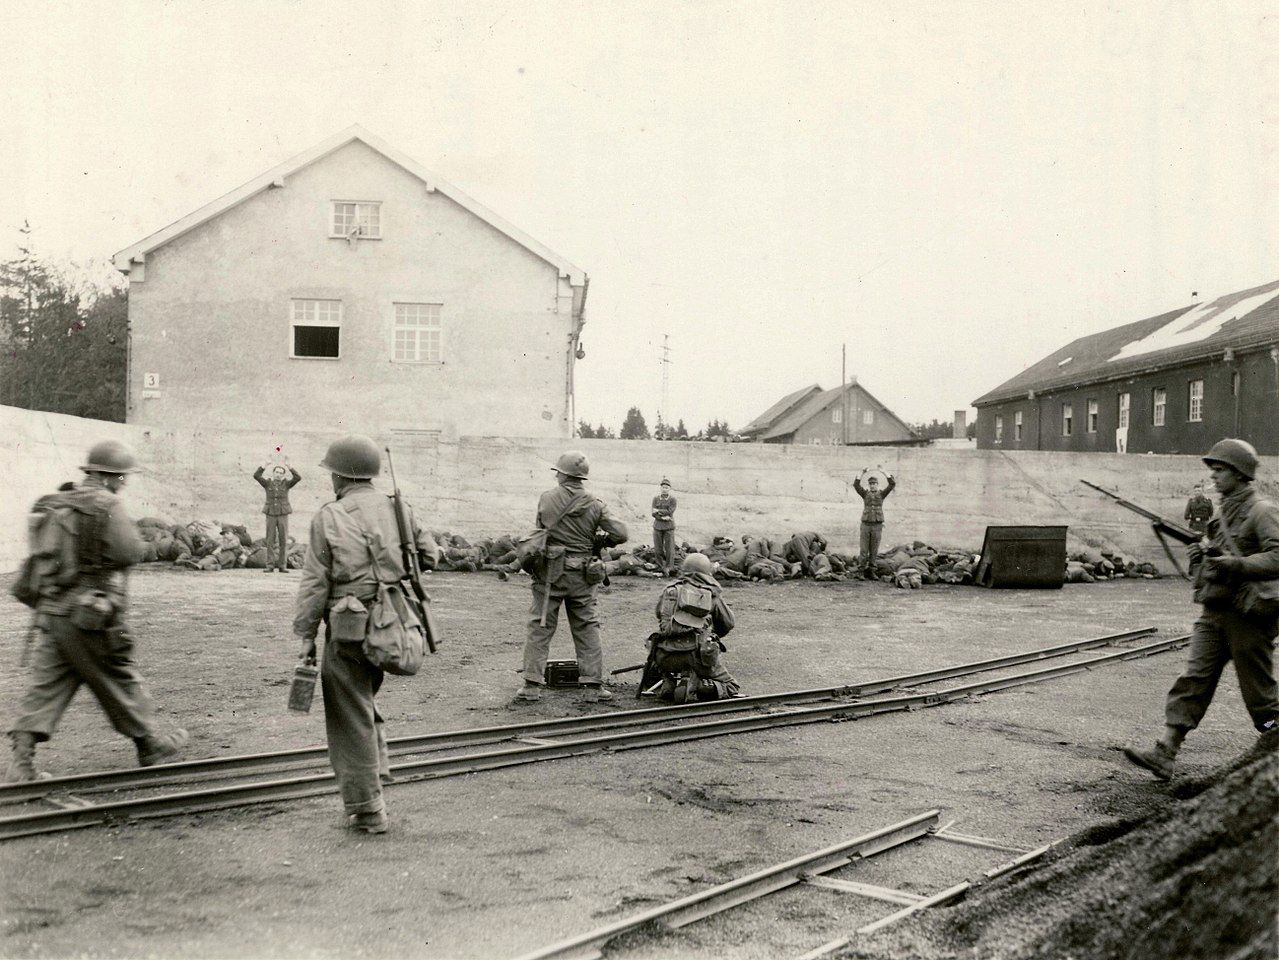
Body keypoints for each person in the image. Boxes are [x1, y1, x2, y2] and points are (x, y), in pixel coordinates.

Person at [6, 441, 188, 781]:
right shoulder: (108, 505)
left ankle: (21, 765)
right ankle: (150, 746)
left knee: (46, 686)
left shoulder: (58, 502)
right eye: (123, 477)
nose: (124, 483)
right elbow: (129, 552)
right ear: (112, 476)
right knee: (119, 675)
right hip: (89, 616)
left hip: (51, 614)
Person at [293, 435, 439, 833]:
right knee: (361, 701)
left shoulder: (329, 516)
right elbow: (430, 556)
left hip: (348, 626)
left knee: (348, 713)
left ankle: (367, 807)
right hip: (394, 623)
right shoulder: (399, 508)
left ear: (339, 476)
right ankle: (376, 776)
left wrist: (306, 634)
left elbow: (314, 584)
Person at [1124, 438, 1278, 780]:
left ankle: (1275, 750)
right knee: (1193, 679)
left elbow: (1277, 557)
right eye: (1213, 471)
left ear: (1239, 474)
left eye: (1220, 471)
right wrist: (1201, 558)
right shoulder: (1223, 512)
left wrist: (1235, 565)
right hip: (1215, 611)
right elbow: (1216, 561)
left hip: (1247, 616)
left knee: (1260, 695)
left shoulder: (1261, 511)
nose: (1214, 478)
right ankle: (1166, 752)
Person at [515, 451, 628, 704]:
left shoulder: (546, 499)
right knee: (587, 627)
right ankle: (592, 688)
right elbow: (621, 533)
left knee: (540, 626)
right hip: (583, 576)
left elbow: (540, 532)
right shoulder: (595, 504)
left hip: (550, 574)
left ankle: (531, 686)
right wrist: (602, 540)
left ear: (562, 474)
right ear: (581, 478)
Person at [646, 553, 740, 701]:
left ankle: (668, 682)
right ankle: (698, 686)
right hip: (697, 657)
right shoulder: (711, 593)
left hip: (664, 656)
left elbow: (659, 614)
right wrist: (710, 636)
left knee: (659, 657)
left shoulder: (670, 590)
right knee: (731, 686)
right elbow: (728, 623)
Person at [254, 462, 302, 573]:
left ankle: (282, 566)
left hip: (282, 514)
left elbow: (298, 477)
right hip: (270, 514)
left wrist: (290, 467)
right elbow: (256, 476)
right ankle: (270, 565)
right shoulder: (267, 483)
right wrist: (264, 465)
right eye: (277, 472)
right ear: (273, 473)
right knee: (270, 540)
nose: (278, 475)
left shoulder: (287, 484)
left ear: (283, 475)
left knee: (283, 540)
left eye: (281, 473)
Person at [854, 467, 897, 570]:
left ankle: (871, 570)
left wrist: (884, 472)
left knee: (874, 549)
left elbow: (892, 484)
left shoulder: (882, 494)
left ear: (877, 485)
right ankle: (861, 570)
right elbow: (856, 485)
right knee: (864, 550)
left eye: (874, 484)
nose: (872, 486)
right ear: (869, 485)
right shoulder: (865, 494)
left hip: (877, 526)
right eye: (871, 484)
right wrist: (862, 472)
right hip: (866, 525)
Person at [652, 479, 678, 576]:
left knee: (669, 549)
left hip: (669, 527)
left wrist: (659, 511)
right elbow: (653, 513)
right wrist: (663, 516)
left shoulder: (672, 500)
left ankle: (669, 568)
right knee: (658, 549)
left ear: (669, 489)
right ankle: (659, 567)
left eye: (666, 487)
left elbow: (671, 511)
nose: (664, 489)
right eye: (663, 487)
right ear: (660, 488)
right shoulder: (655, 499)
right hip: (657, 526)